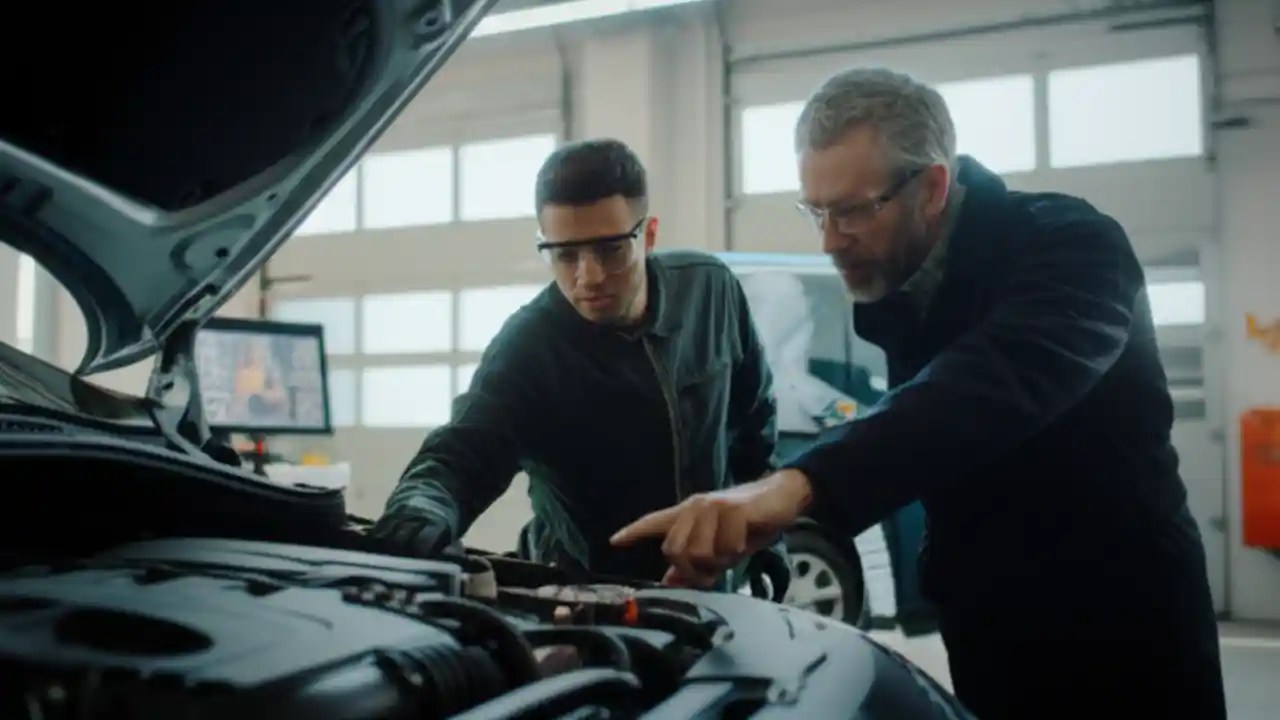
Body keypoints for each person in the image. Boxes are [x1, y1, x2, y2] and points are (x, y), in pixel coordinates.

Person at [611, 67, 1227, 718]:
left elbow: (984, 387)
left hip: (1120, 626)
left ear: (932, 186)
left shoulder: (1076, 247)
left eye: (849, 211)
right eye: (815, 210)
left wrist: (793, 488)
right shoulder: (903, 280)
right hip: (989, 621)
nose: (827, 241)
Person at [370, 138, 787, 592]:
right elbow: (461, 456)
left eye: (609, 250)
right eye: (565, 255)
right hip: (584, 602)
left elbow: (755, 429)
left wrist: (764, 544)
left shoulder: (711, 291)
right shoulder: (529, 347)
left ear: (647, 236)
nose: (588, 276)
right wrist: (418, 514)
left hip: (712, 588)